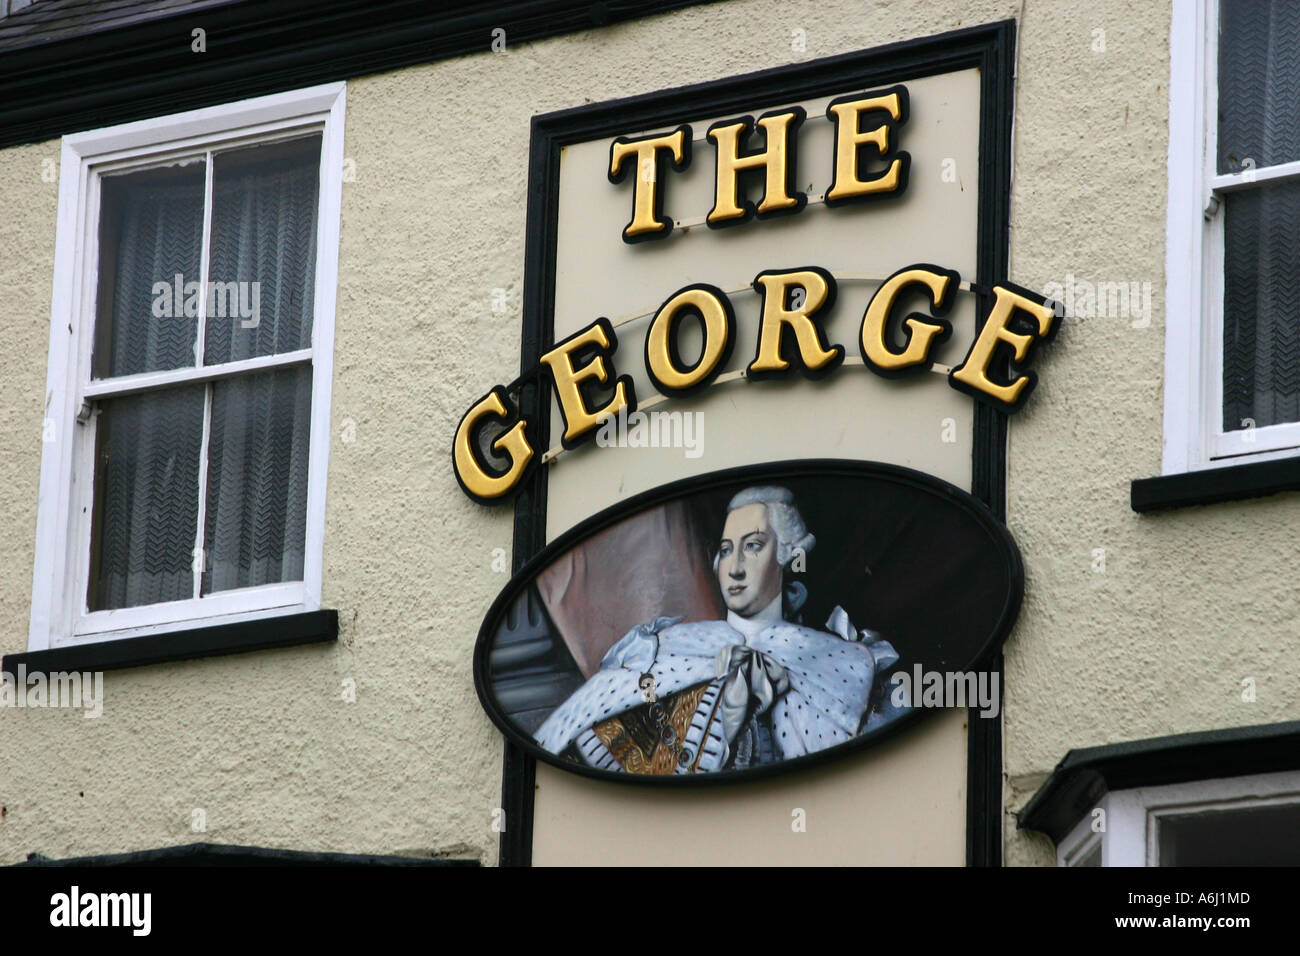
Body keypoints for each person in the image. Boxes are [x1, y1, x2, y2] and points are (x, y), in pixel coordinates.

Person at [534, 486, 899, 774]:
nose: (735, 567)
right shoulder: (665, 652)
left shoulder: (842, 663)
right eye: (726, 550)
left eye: (753, 546)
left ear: (788, 555)